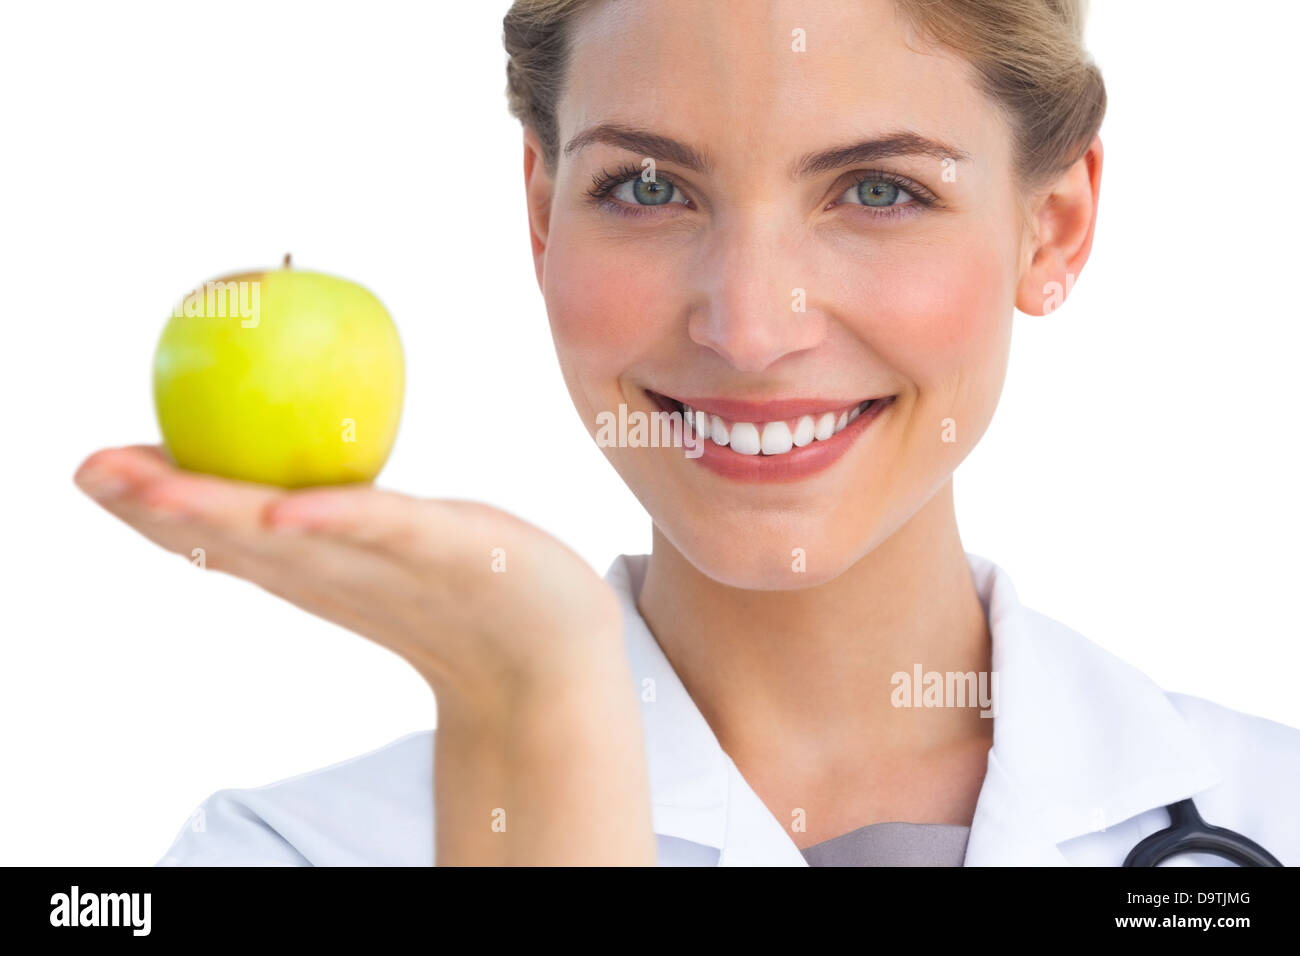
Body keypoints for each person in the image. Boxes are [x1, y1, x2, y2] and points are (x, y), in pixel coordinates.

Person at [75, 0, 1300, 866]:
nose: (752, 325)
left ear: (1054, 229)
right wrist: (540, 702)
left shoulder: (1274, 809)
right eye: (650, 188)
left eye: (879, 190)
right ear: (543, 212)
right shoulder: (288, 855)